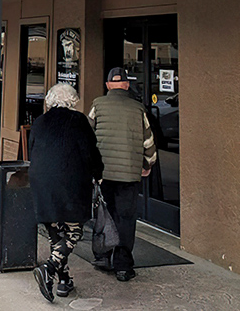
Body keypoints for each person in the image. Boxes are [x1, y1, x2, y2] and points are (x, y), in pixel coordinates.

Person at [29, 83, 103, 303]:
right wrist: (98, 173)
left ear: (50, 100)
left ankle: (63, 281)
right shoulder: (78, 121)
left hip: (42, 182)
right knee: (73, 232)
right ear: (72, 101)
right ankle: (49, 269)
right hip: (70, 183)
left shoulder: (40, 121)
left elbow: (32, 149)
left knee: (55, 234)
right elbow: (90, 152)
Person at [88, 67, 156, 282]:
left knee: (104, 215)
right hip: (129, 174)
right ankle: (123, 267)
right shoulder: (138, 109)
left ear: (108, 85)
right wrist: (147, 164)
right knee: (125, 218)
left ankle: (102, 256)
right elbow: (149, 142)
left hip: (103, 173)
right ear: (126, 85)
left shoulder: (97, 105)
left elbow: (87, 136)